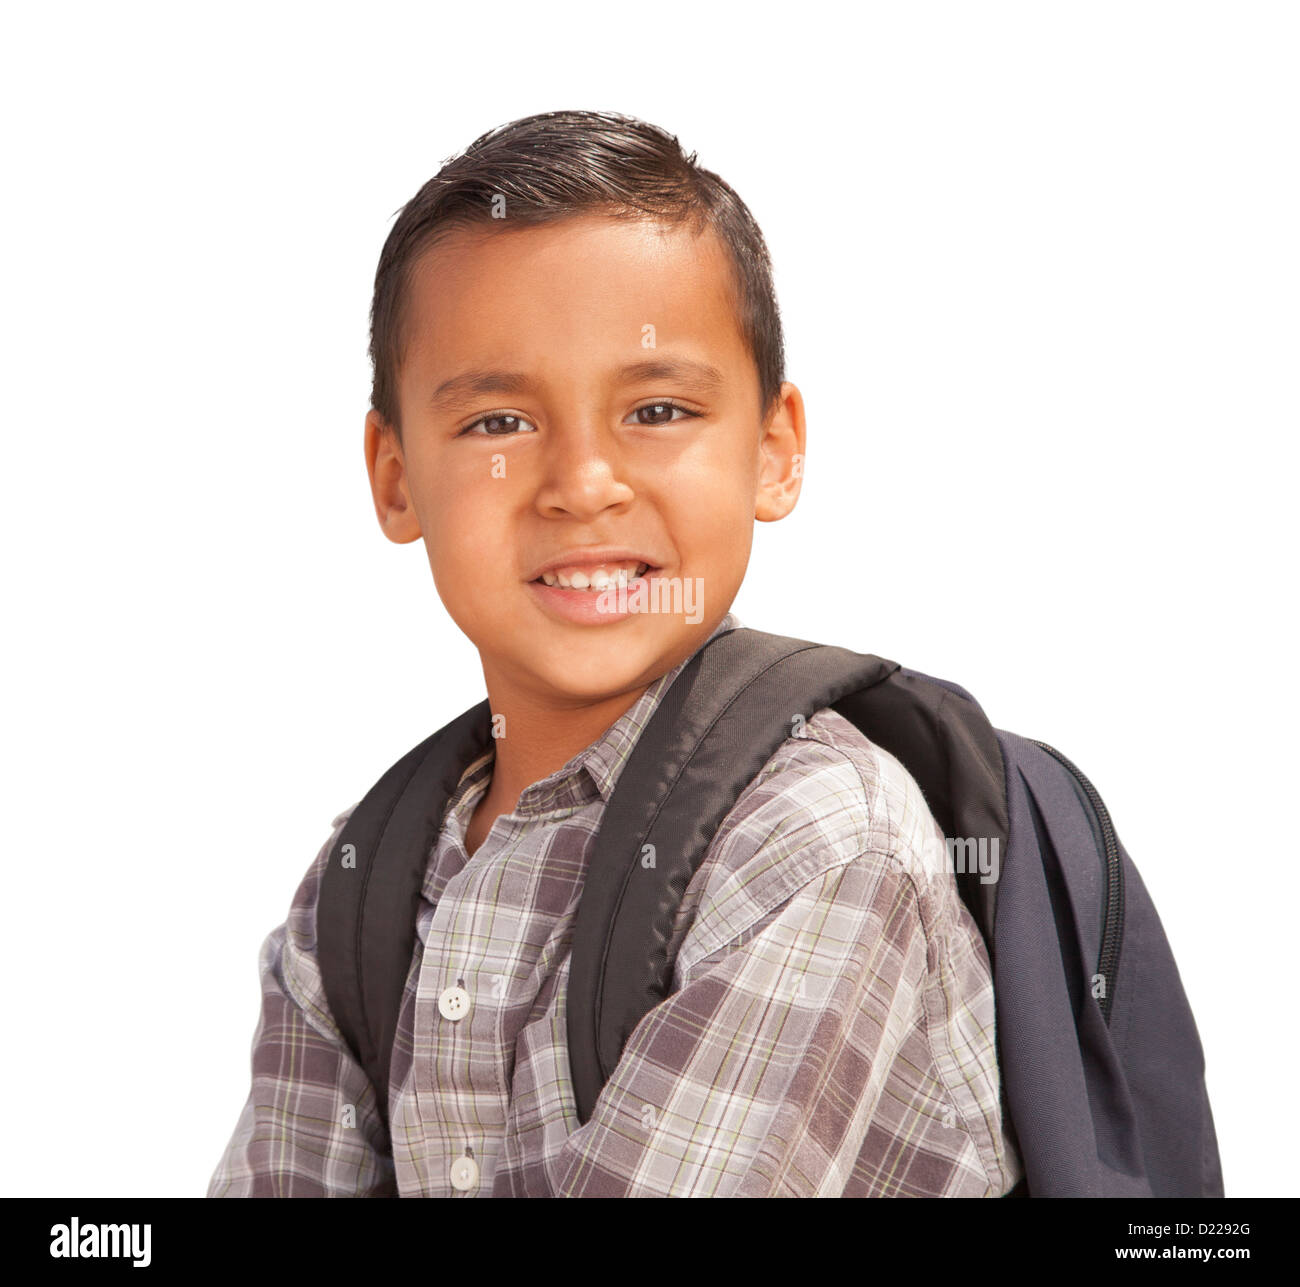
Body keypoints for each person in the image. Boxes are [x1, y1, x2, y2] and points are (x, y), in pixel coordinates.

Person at [207, 109, 1023, 1198]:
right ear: (395, 475)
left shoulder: (814, 841)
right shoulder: (362, 884)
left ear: (773, 452)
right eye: (498, 422)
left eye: (656, 408)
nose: (583, 481)